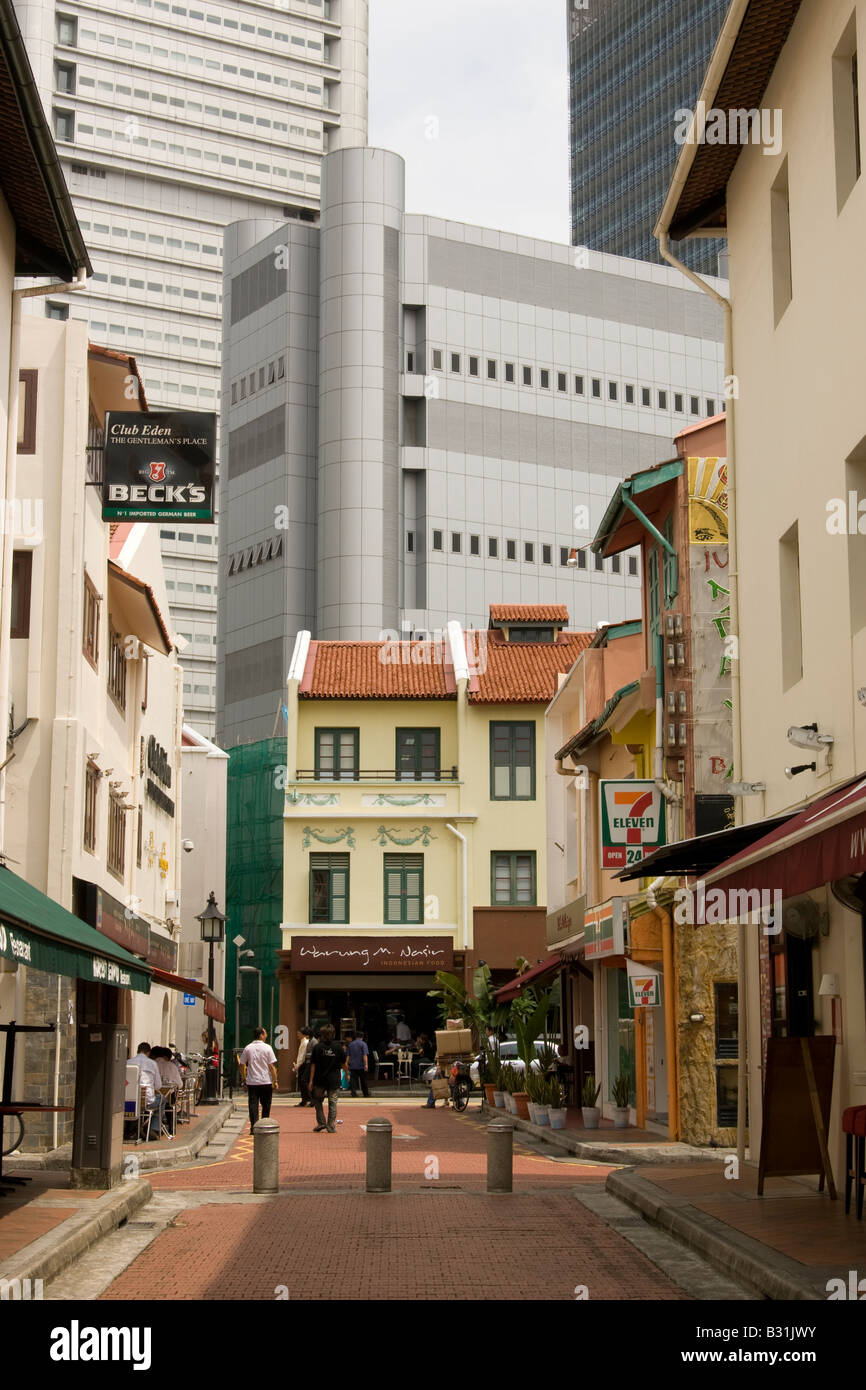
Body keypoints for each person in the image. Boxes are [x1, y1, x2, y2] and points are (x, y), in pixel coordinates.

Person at [239, 1026, 279, 1135]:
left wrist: (244, 1078)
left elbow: (241, 1064)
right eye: (265, 1033)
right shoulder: (268, 1048)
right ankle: (264, 1125)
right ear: (261, 1035)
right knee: (266, 1105)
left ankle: (253, 1127)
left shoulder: (248, 1048)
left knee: (253, 1105)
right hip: (266, 1081)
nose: (266, 1035)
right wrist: (275, 1081)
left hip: (252, 1081)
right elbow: (271, 1067)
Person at [308, 1024, 346, 1133]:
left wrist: (311, 1081)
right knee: (333, 1102)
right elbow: (344, 1064)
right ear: (333, 1034)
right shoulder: (338, 1047)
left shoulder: (318, 1047)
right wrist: (347, 1074)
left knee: (317, 1100)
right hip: (334, 1080)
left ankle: (321, 1122)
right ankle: (331, 1125)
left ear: (322, 1035)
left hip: (320, 1080)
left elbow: (313, 1065)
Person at [129, 1042, 166, 1136]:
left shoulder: (128, 1062)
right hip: (147, 1101)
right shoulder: (152, 1063)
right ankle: (153, 1127)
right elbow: (158, 1086)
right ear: (148, 1053)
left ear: (137, 1051)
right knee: (162, 1099)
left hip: (130, 1101)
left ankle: (132, 1128)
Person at [293, 1026, 314, 1107]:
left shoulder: (305, 1042)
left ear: (304, 1035)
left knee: (303, 1081)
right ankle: (304, 1100)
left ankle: (308, 1099)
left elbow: (302, 1055)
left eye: (299, 1034)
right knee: (301, 1082)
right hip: (302, 1064)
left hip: (304, 1064)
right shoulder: (303, 1041)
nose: (298, 1035)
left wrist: (298, 1065)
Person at [346, 1031, 370, 1097]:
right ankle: (365, 1093)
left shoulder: (350, 1044)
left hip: (353, 1065)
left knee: (353, 1080)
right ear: (362, 1037)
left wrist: (346, 1064)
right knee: (363, 1080)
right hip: (361, 1065)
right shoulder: (363, 1044)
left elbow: (348, 1055)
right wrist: (366, 1064)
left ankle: (353, 1093)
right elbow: (365, 1055)